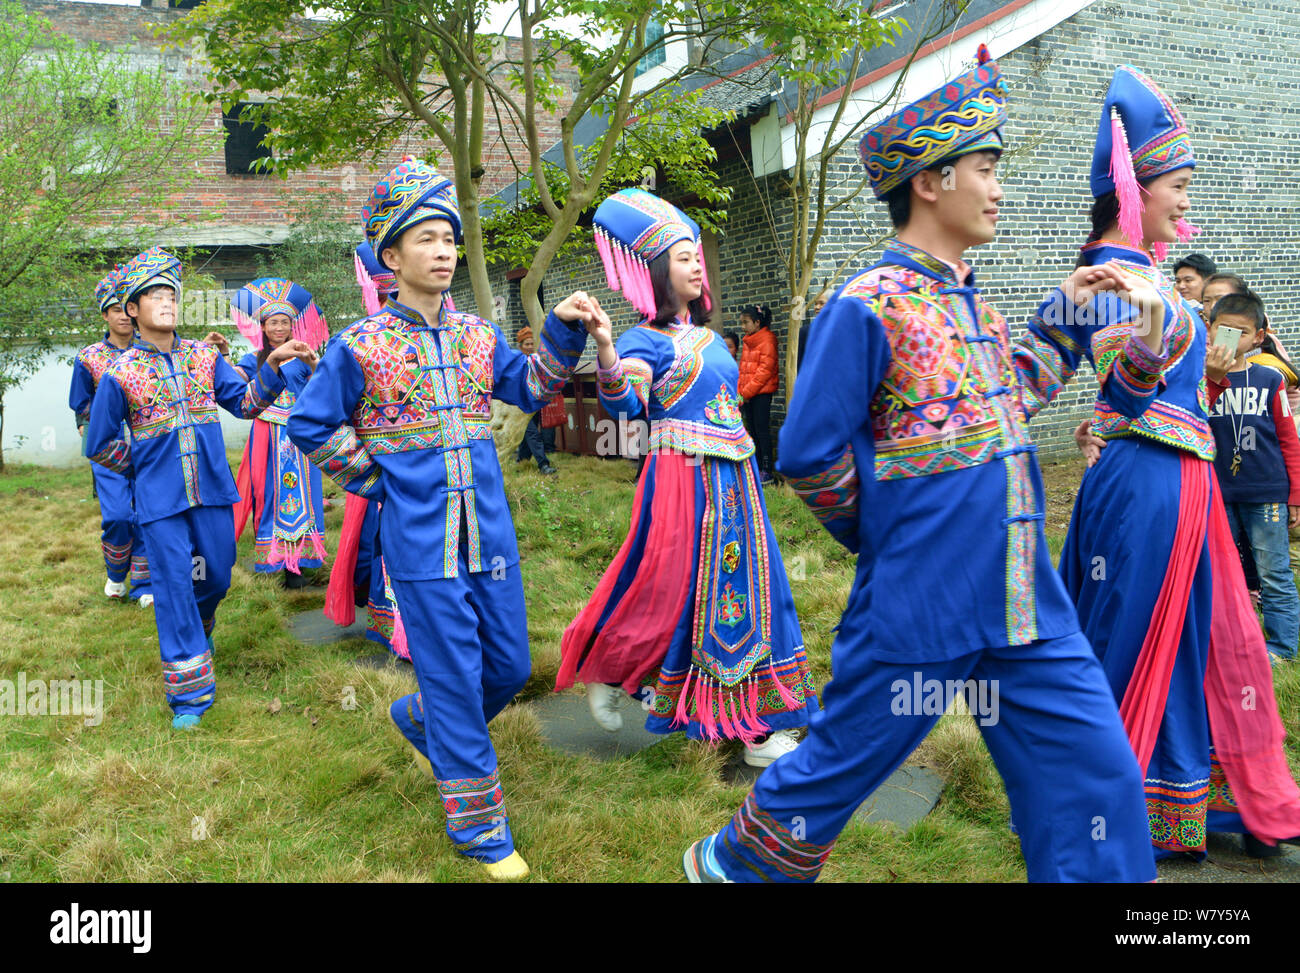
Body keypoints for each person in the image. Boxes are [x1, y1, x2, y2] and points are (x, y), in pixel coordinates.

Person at [682, 46, 1154, 883]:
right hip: (919, 607)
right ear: (929, 182)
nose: (998, 184)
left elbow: (1011, 399)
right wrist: (890, 539)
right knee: (839, 765)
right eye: (985, 166)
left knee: (1099, 775)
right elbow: (806, 452)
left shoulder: (973, 301)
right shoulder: (867, 305)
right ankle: (734, 865)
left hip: (1025, 610)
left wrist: (1075, 315)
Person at [1018, 64, 1300, 859]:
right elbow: (1126, 388)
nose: (1187, 200)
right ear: (1137, 187)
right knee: (1133, 636)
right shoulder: (1114, 271)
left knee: (1193, 640)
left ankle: (1185, 797)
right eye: (1178, 183)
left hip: (1183, 478)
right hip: (1144, 481)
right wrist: (1156, 332)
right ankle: (1099, 804)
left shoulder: (1143, 274)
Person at [287, 158, 596, 880]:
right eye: (425, 238)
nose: (443, 249)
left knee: (510, 665)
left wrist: (565, 328)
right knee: (456, 676)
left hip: (489, 534)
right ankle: (481, 829)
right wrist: (376, 482)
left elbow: (532, 384)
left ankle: (422, 721)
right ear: (390, 257)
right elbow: (311, 422)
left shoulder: (478, 335)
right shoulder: (360, 345)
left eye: (449, 237)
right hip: (421, 543)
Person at [556, 188, 816, 768]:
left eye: (696, 253)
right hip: (682, 480)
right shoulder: (642, 340)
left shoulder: (708, 337)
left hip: (738, 483)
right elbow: (625, 402)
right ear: (654, 272)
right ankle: (608, 666)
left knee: (754, 592)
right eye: (681, 256)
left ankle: (756, 726)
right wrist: (603, 346)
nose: (696, 263)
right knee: (668, 584)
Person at [84, 247, 316, 729]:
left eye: (171, 293)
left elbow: (247, 403)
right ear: (132, 310)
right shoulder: (118, 374)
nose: (166, 301)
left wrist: (272, 364)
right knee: (173, 587)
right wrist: (140, 470)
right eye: (154, 295)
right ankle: (190, 695)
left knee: (215, 578)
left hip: (212, 493)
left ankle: (202, 623)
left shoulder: (203, 358)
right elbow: (100, 441)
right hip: (160, 503)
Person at [1206, 291, 1300, 664]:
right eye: (1222, 329)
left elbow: (1288, 439)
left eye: (1241, 333)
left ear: (1259, 337)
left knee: (1273, 570)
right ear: (1209, 329)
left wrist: (1295, 495)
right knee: (1223, 571)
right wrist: (1210, 378)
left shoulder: (1268, 378)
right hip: (1217, 491)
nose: (1230, 339)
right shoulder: (1196, 377)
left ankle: (1281, 648)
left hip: (1265, 491)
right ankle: (1228, 644)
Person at [324, 244, 406, 658]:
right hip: (386, 466)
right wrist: (367, 474)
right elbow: (320, 418)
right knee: (383, 543)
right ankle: (394, 625)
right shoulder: (359, 342)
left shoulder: (460, 334)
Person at [229, 278, 331, 586]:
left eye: (284, 322)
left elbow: (325, 387)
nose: (279, 328)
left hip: (300, 436)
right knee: (268, 494)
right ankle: (273, 562)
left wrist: (315, 364)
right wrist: (221, 358)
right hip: (268, 436)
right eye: (273, 323)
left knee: (306, 494)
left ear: (292, 326)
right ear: (263, 326)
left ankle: (300, 561)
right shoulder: (253, 359)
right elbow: (234, 385)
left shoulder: (304, 355)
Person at [69, 265, 153, 607]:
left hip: (149, 440)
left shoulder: (149, 352)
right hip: (110, 445)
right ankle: (117, 574)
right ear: (106, 314)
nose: (123, 316)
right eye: (115, 309)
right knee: (119, 514)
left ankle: (144, 585)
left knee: (147, 512)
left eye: (126, 309)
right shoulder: (89, 357)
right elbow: (80, 403)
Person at [737, 303, 778, 484]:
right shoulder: (749, 340)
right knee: (752, 431)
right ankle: (756, 467)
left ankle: (767, 470)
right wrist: (740, 392)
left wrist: (745, 393)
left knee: (762, 432)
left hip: (761, 395)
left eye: (746, 322)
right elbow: (743, 370)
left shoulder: (767, 340)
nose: (743, 327)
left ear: (757, 322)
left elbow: (764, 372)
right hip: (748, 395)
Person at [513, 326, 558, 475]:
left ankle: (521, 460)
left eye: (532, 343)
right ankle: (543, 465)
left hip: (535, 402)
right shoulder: (517, 362)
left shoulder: (536, 360)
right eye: (527, 344)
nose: (530, 347)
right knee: (533, 434)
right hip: (521, 405)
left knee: (528, 435)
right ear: (520, 346)